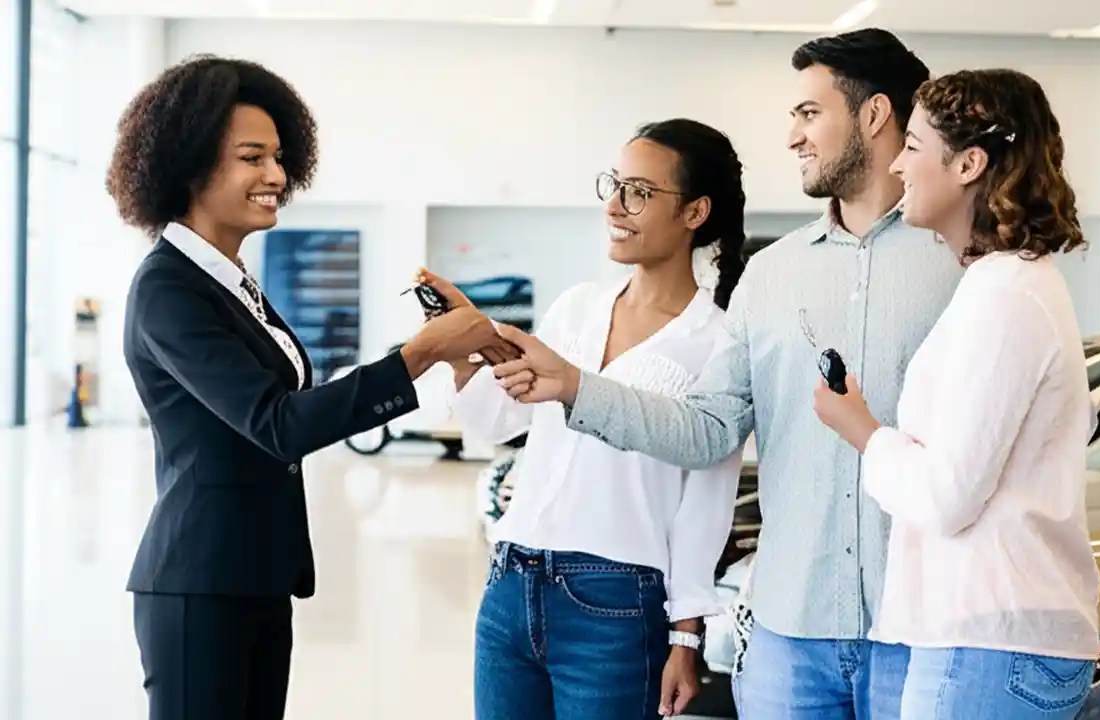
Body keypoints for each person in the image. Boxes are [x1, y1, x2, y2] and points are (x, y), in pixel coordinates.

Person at [481, 29, 965, 718]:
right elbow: (709, 432)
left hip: (919, 628)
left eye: (808, 113)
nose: (793, 136)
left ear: (875, 115)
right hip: (786, 637)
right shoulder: (771, 276)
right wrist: (574, 386)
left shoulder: (960, 263)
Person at [108, 55, 514, 720]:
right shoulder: (168, 288)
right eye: (251, 157)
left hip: (254, 574)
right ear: (188, 165)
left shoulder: (227, 281)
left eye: (277, 156)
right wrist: (418, 357)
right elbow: (277, 423)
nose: (276, 176)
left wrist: (438, 354)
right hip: (201, 583)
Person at [425, 118, 746, 719]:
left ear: (696, 212)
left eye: (640, 193)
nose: (615, 206)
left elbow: (706, 499)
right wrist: (465, 352)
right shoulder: (577, 308)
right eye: (615, 185)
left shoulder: (719, 341)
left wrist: (686, 634)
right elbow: (500, 424)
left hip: (617, 603)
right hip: (510, 581)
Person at [812, 69, 1100, 719]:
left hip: (988, 647)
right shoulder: (1003, 288)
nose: (899, 169)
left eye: (912, 147)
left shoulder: (1006, 296)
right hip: (988, 642)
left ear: (969, 163)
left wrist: (861, 430)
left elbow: (947, 497)